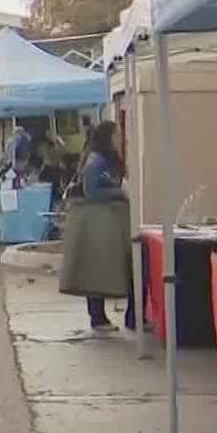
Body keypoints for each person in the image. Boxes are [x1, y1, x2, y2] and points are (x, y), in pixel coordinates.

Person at [59, 120, 134, 331]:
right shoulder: (97, 161)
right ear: (108, 138)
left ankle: (101, 316)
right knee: (96, 269)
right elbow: (92, 190)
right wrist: (120, 193)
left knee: (101, 268)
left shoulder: (106, 160)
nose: (122, 138)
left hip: (105, 222)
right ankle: (98, 317)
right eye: (118, 135)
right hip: (96, 222)